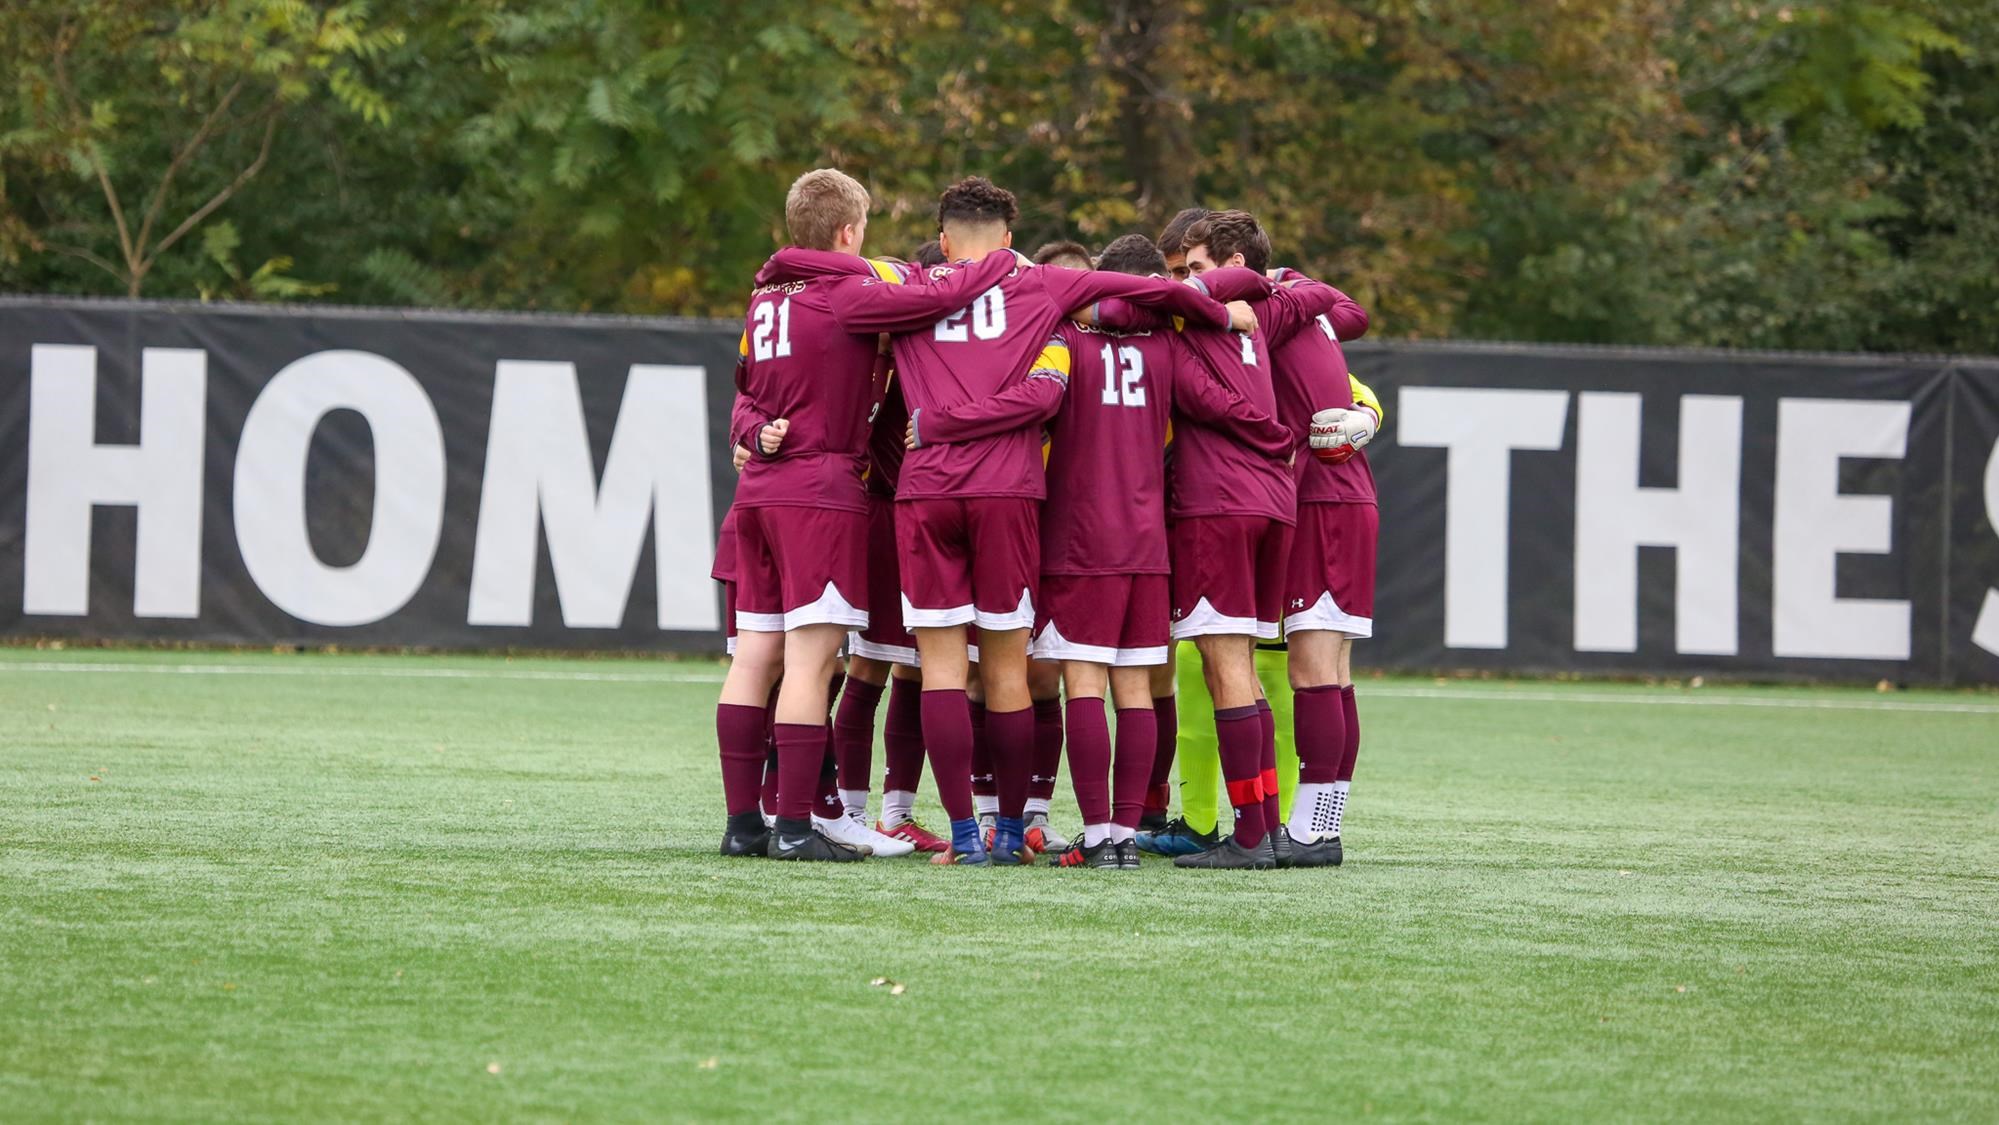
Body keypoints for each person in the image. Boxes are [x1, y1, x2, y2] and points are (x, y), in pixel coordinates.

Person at [892, 176, 1245, 865]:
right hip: (1013, 492)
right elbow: (1155, 294)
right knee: (1012, 670)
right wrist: (1224, 309)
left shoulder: (906, 290)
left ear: (941, 239)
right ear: (1010, 240)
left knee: (940, 668)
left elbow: (837, 300)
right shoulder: (1042, 287)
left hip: (928, 487)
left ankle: (964, 835)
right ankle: (1013, 834)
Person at [716, 168, 1016, 861]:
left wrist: (752, 432)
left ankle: (743, 826)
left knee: (755, 655)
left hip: (757, 493)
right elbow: (958, 285)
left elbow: (745, 392)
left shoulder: (765, 296)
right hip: (819, 490)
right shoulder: (849, 294)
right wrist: (1001, 257)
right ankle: (795, 827)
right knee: (811, 661)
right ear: (850, 232)